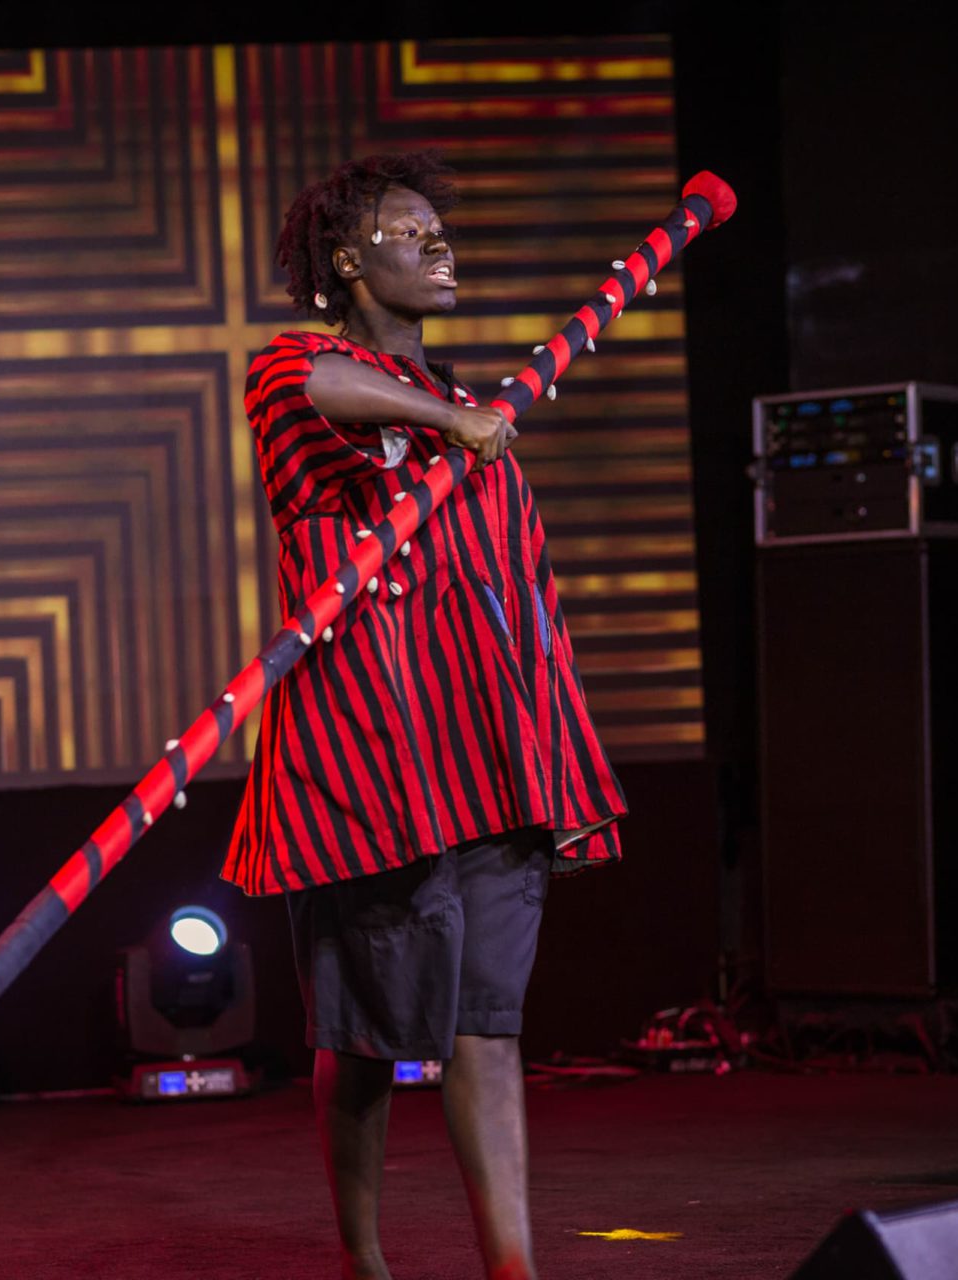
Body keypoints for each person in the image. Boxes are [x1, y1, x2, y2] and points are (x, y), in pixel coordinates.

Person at [222, 151, 625, 1280]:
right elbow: (321, 395)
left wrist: (563, 776)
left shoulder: (474, 416)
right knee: (359, 1040)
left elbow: (529, 608)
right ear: (348, 260)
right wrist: (452, 425)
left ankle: (513, 1266)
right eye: (412, 231)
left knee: (487, 1027)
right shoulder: (299, 369)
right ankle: (367, 1259)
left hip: (488, 770)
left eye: (443, 230)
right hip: (367, 774)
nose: (441, 245)